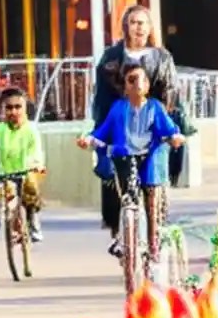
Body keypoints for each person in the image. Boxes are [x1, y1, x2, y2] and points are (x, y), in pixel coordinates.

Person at [90, 4, 180, 255]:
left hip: (151, 123)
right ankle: (121, 234)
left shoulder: (162, 58)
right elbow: (102, 96)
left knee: (153, 183)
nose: (138, 27)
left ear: (150, 28)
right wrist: (99, 130)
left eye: (143, 22)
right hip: (120, 123)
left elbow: (171, 93)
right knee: (116, 179)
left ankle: (155, 233)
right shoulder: (111, 57)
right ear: (126, 26)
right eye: (133, 22)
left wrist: (169, 125)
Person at [77, 62, 185, 261]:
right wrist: (89, 140)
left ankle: (153, 245)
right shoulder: (118, 109)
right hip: (125, 157)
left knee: (151, 200)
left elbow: (169, 130)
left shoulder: (155, 108)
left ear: (148, 85)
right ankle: (124, 237)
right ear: (125, 87)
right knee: (127, 197)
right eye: (132, 80)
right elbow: (103, 131)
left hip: (150, 156)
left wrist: (175, 138)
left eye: (142, 80)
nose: (137, 84)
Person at [0, 86, 46, 241]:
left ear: (25, 108)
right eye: (9, 108)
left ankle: (33, 219)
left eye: (18, 107)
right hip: (5, 173)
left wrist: (35, 165)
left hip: (27, 171)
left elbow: (36, 152)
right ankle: (14, 228)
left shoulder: (31, 130)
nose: (13, 112)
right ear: (2, 110)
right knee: (10, 197)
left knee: (30, 186)